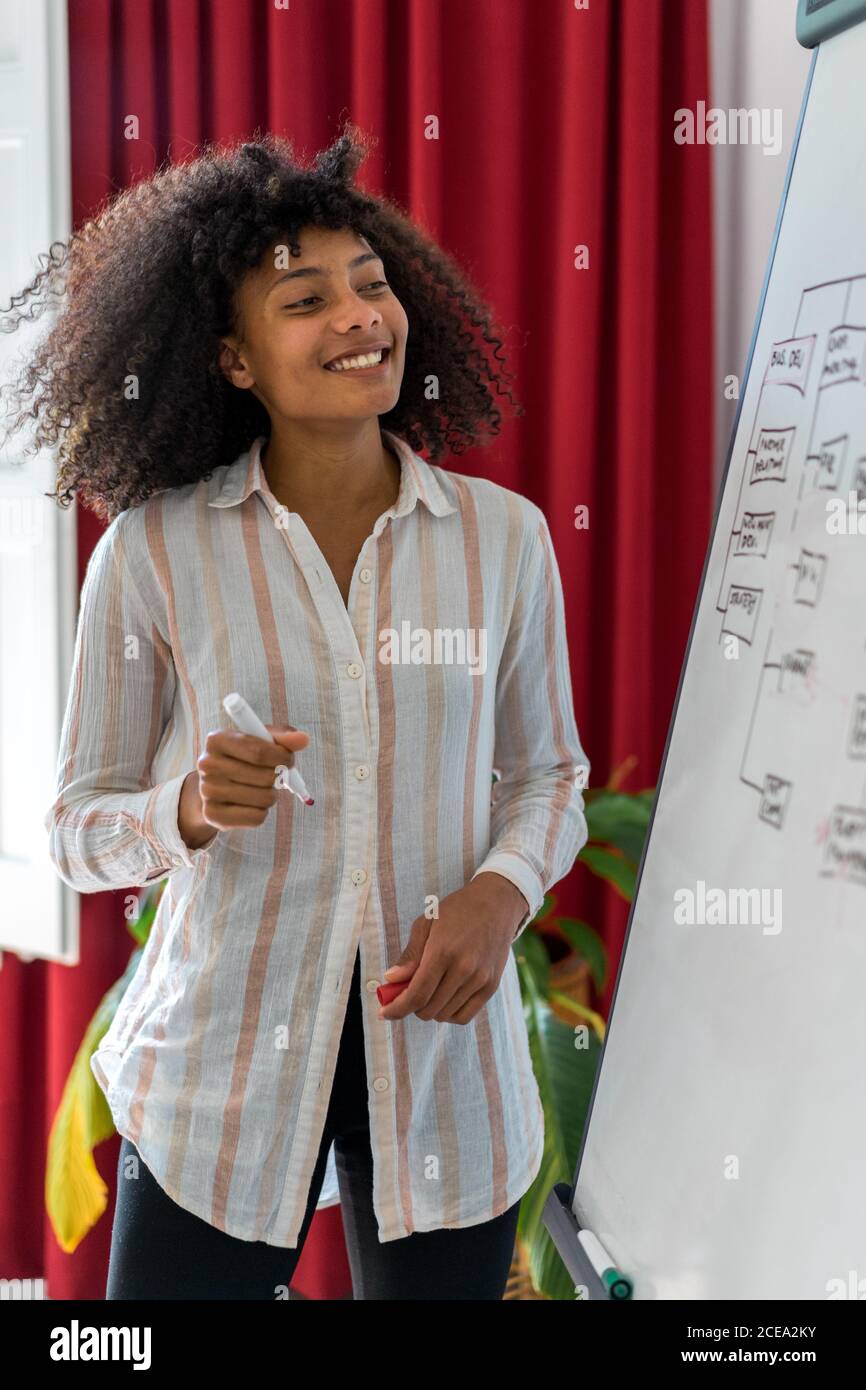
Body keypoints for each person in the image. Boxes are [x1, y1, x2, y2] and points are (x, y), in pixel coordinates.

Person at [4, 124, 590, 1299]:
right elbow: (74, 829)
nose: (358, 316)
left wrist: (497, 893)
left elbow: (549, 777)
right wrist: (185, 809)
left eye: (371, 284)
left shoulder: (502, 541)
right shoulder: (154, 553)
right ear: (232, 359)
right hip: (218, 1076)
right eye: (305, 299)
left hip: (438, 1065)